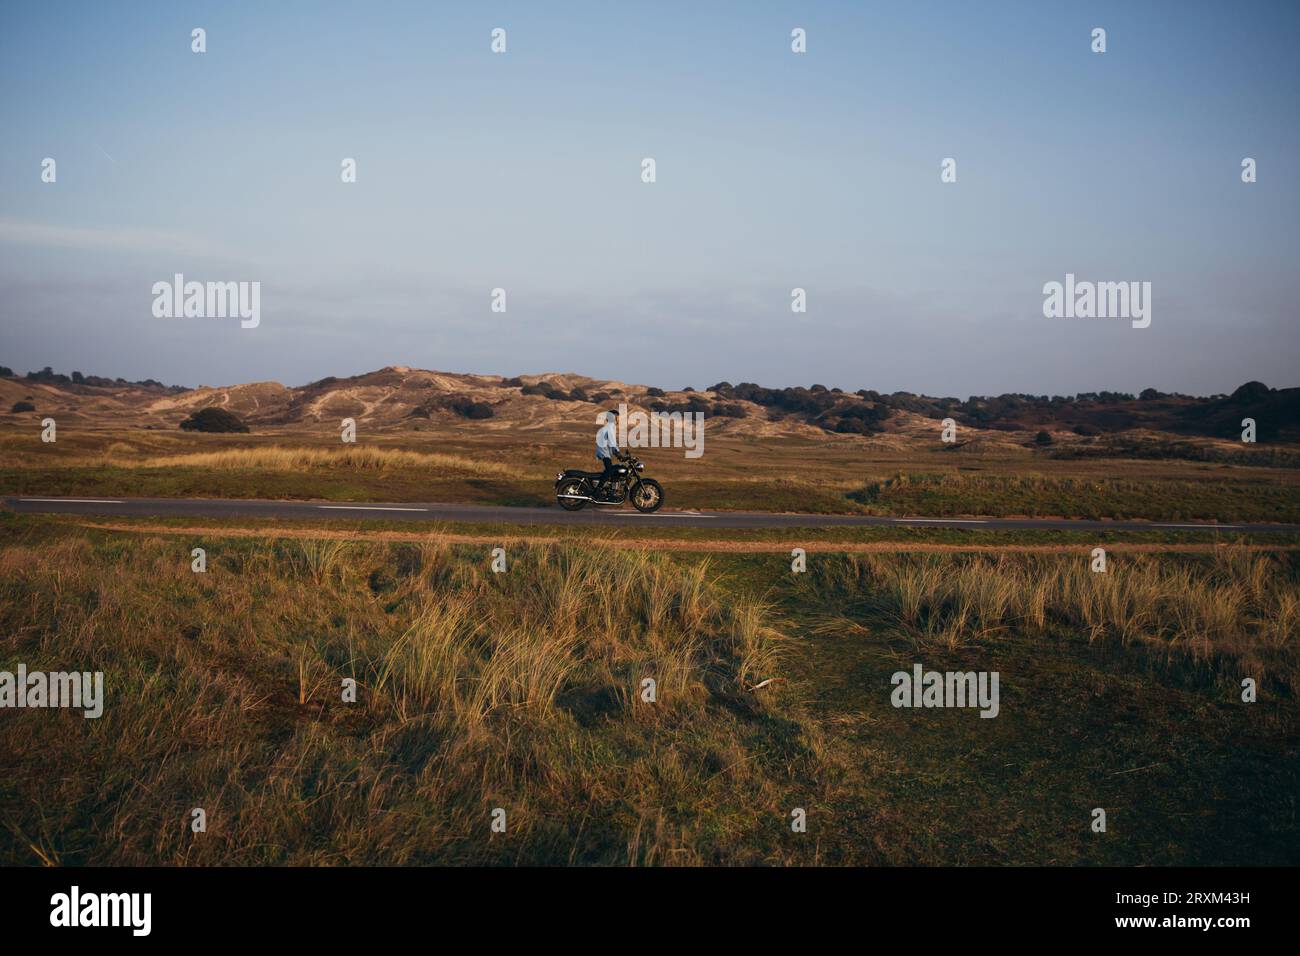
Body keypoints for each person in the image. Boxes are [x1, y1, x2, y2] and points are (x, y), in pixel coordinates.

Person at [594, 408, 623, 498]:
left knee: (611, 470)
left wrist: (618, 453)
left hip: (605, 452)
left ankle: (610, 490)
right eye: (617, 417)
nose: (618, 419)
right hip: (604, 453)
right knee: (610, 470)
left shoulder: (610, 427)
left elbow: (613, 443)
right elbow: (612, 443)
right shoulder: (609, 428)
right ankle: (598, 490)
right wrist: (618, 454)